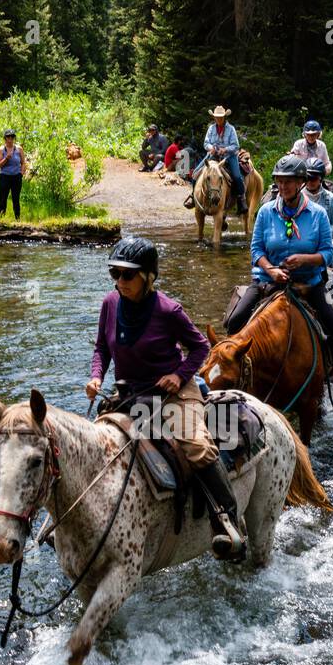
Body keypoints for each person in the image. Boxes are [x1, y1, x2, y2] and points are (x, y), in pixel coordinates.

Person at [86, 236, 247, 561]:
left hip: (175, 392)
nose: (120, 281)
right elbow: (102, 349)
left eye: (127, 275)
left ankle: (229, 519)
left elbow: (202, 347)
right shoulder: (110, 304)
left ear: (148, 276)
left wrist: (178, 376)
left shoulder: (168, 310)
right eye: (114, 274)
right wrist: (95, 376)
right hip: (130, 392)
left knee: (195, 445)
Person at [226, 156, 333, 401]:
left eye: (289, 182)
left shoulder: (318, 214)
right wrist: (270, 270)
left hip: (309, 281)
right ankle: (230, 369)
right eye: (280, 182)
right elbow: (256, 251)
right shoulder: (265, 212)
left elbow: (326, 253)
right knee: (235, 320)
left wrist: (304, 259)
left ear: (301, 183)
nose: (283, 187)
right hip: (268, 280)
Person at [185, 105, 247, 214]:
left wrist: (225, 149)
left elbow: (236, 146)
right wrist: (210, 148)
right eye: (217, 117)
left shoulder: (231, 129)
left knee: (237, 177)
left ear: (224, 117)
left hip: (229, 157)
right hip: (213, 156)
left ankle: (241, 200)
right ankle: (193, 197)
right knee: (195, 174)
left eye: (221, 117)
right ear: (214, 117)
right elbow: (206, 143)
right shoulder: (211, 128)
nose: (219, 119)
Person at [303, 160, 333, 242]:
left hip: (324, 239)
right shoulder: (298, 196)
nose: (310, 182)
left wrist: (324, 234)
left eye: (314, 179)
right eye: (308, 178)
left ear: (321, 179)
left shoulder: (330, 197)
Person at [0, 128, 27, 218]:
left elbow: (23, 163)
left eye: (12, 137)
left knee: (16, 199)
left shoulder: (19, 149)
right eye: (8, 137)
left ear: (14, 138)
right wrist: (6, 158)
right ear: (5, 138)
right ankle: (1, 219)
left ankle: (17, 219)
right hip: (4, 177)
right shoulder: (1, 150)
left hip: (16, 177)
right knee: (3, 199)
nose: (10, 139)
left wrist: (21, 173)